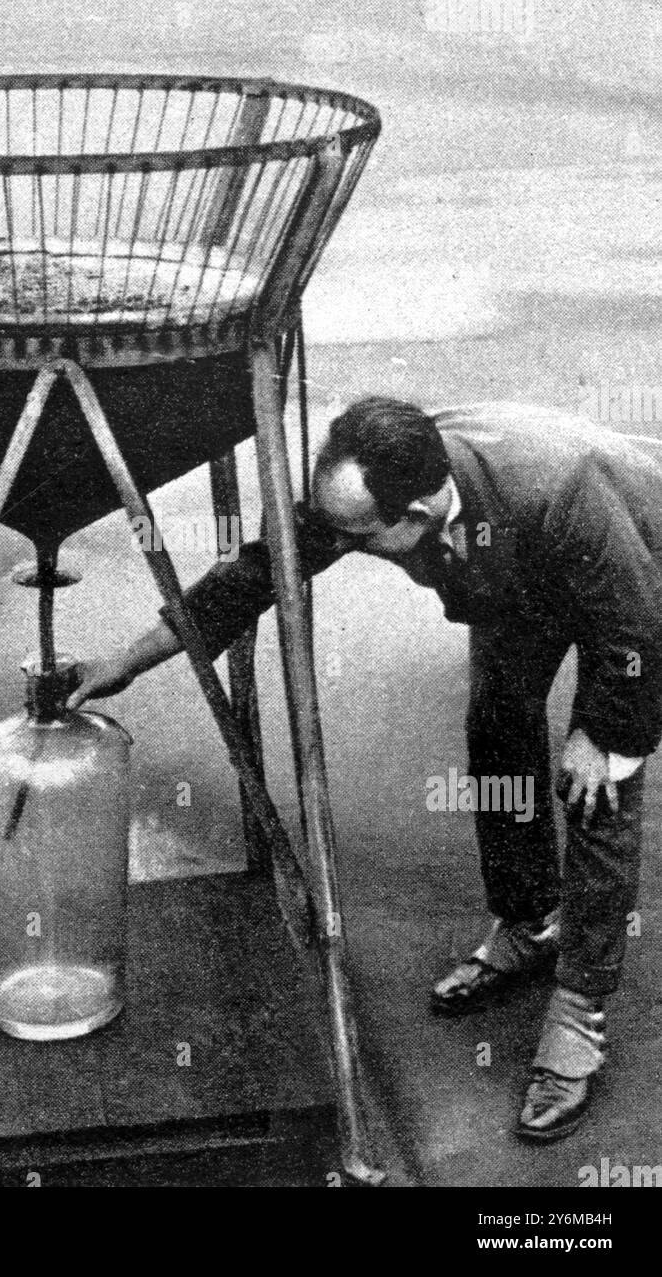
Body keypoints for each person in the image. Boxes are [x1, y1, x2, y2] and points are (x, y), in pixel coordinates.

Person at [69, 396, 662, 1143]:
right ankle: (529, 922)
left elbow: (638, 629)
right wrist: (123, 664)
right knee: (498, 728)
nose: (335, 541)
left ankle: (581, 1014)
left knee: (597, 792)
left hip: (637, 578)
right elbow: (254, 577)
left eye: (356, 536)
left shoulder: (561, 489)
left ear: (418, 511)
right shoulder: (370, 492)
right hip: (517, 581)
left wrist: (602, 732)